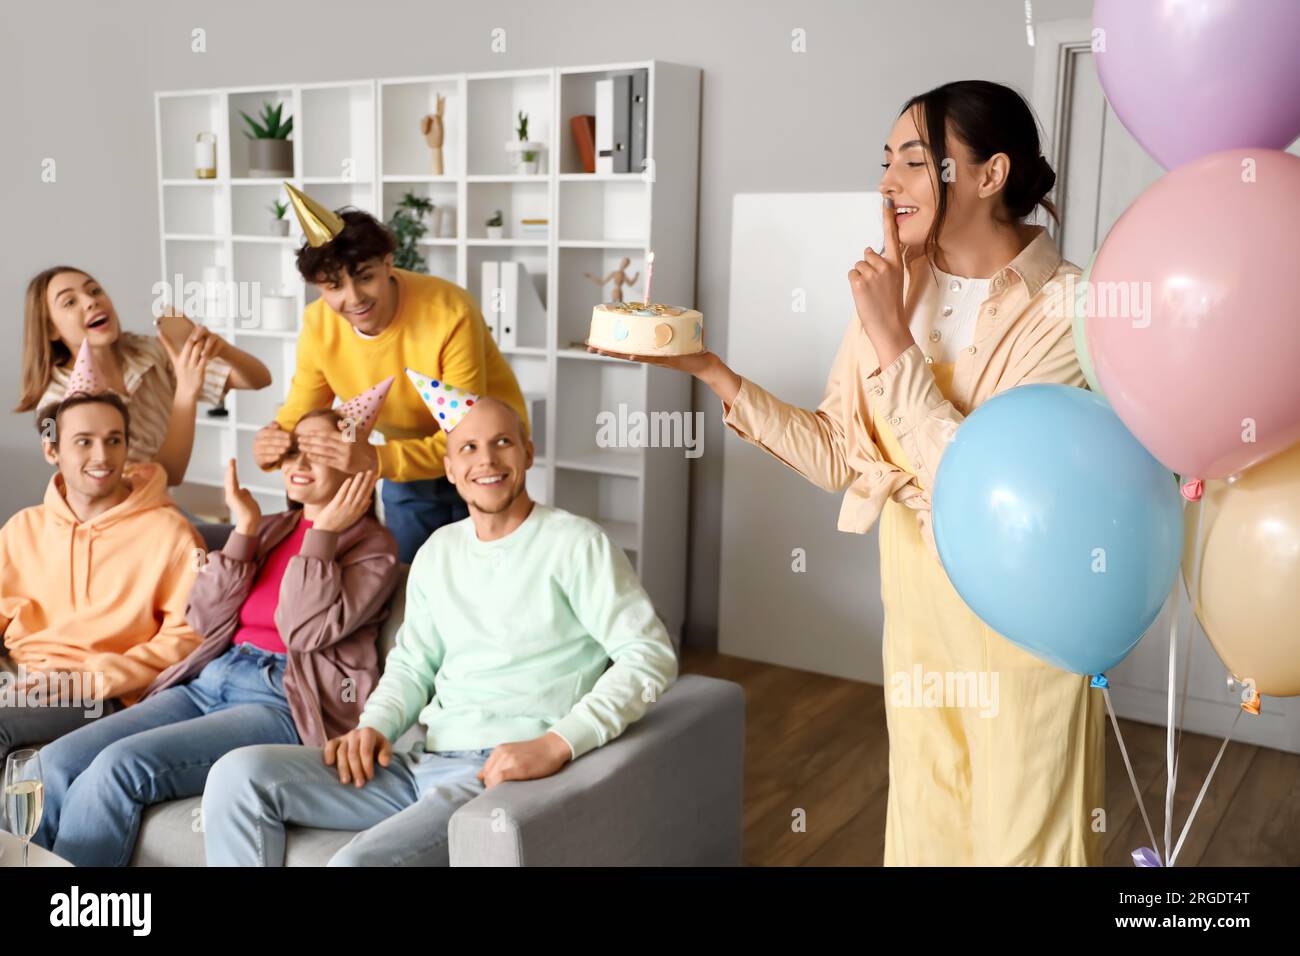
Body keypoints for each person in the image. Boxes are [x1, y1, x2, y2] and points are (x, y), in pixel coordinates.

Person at [590, 80, 1103, 866]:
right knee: (926, 825)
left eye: (912, 160)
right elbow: (838, 452)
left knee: (1026, 836)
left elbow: (981, 483)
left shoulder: (1070, 306)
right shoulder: (901, 290)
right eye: (885, 162)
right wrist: (710, 370)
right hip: (918, 608)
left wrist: (890, 335)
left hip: (1025, 619)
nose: (888, 183)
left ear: (990, 175)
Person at [202, 393, 678, 866]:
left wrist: (557, 743)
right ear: (449, 468)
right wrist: (373, 727)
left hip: (496, 774)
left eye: (503, 442)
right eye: (468, 448)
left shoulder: (578, 544)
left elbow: (649, 656)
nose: (487, 460)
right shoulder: (438, 550)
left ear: (527, 453)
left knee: (355, 864)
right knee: (237, 775)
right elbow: (412, 663)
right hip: (418, 761)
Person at [30, 407, 400, 866]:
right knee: (53, 764)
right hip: (210, 678)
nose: (298, 463)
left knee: (116, 769)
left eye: (318, 451)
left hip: (279, 701)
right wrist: (244, 531)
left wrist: (323, 533)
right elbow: (203, 616)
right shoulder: (271, 528)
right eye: (291, 449)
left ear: (355, 465)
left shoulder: (373, 547)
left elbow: (303, 630)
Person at [251, 185, 530, 562]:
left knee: (493, 565)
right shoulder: (318, 325)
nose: (354, 298)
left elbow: (466, 430)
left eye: (364, 277)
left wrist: (375, 460)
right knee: (409, 573)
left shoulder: (448, 310)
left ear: (388, 262)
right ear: (318, 288)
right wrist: (274, 443)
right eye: (334, 287)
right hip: (403, 455)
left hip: (482, 450)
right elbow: (302, 411)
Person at [0, 392, 204, 762]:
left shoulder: (171, 534)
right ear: (52, 451)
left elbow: (189, 638)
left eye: (114, 440)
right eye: (84, 441)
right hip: (18, 676)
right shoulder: (22, 528)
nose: (102, 456)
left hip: (99, 694)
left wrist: (93, 678)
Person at [17, 265, 273, 487]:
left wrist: (221, 348)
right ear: (50, 328)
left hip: (160, 506)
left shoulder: (148, 351)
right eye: (69, 302)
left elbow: (260, 379)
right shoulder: (54, 406)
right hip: (118, 519)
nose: (90, 301)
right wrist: (185, 392)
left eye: (94, 290)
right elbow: (168, 476)